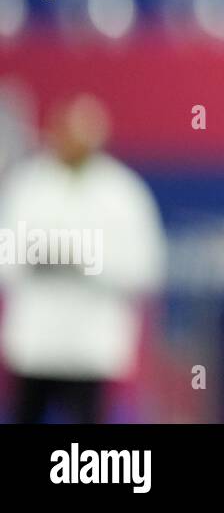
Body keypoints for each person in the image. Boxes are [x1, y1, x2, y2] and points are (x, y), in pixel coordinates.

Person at [0, 95, 166, 423]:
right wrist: (38, 257)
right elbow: (5, 259)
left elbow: (146, 269)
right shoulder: (25, 187)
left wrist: (85, 260)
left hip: (92, 345)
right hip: (34, 342)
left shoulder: (123, 193)